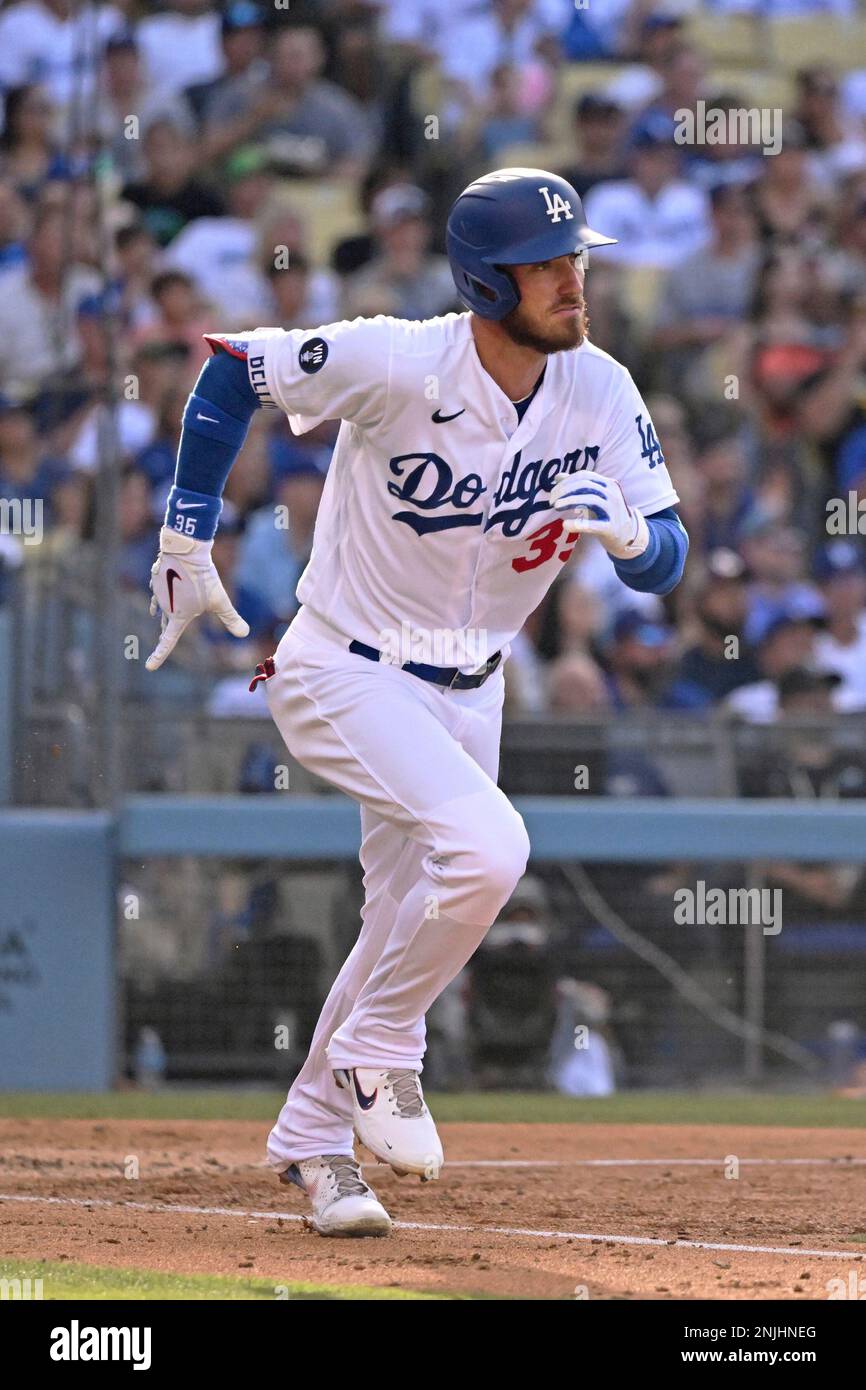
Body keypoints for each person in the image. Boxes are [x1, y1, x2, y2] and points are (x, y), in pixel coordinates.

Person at [144, 167, 688, 1237]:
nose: (573, 280)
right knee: (489, 852)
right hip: (343, 665)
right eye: (547, 264)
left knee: (401, 917)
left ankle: (314, 1142)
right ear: (486, 283)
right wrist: (183, 529)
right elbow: (232, 371)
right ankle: (383, 1056)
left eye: (577, 257)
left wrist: (628, 540)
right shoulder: (395, 357)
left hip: (471, 687)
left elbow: (667, 555)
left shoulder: (601, 388)